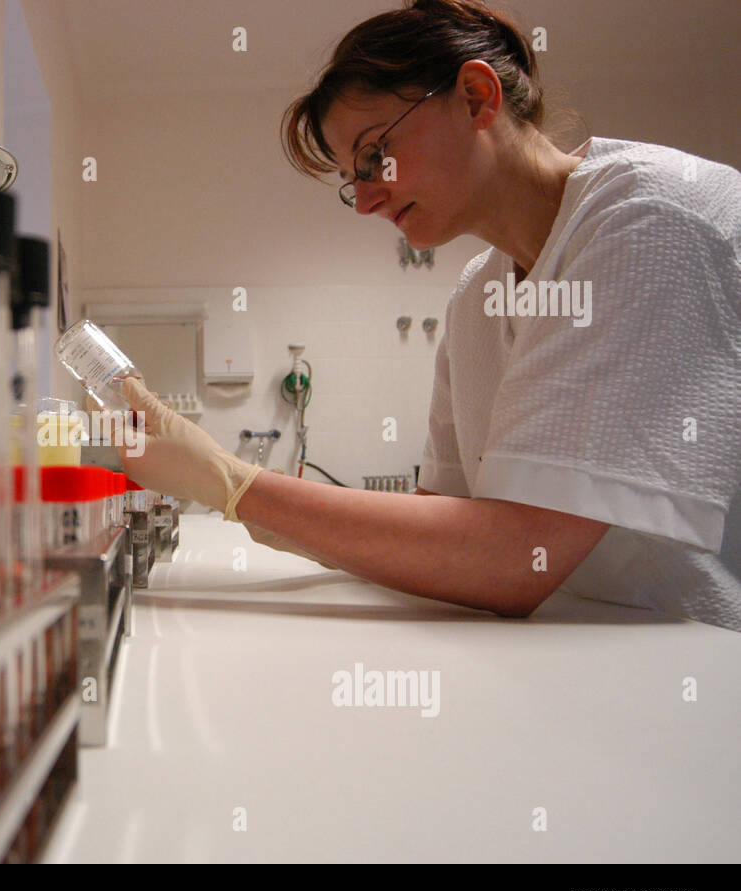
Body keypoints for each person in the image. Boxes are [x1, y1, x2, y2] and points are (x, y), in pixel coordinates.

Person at [111, 0, 741, 631]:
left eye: (371, 155)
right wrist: (231, 489)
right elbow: (444, 535)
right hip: (570, 662)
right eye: (350, 179)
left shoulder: (649, 219)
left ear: (475, 97)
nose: (363, 202)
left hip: (699, 670)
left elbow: (515, 559)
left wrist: (229, 483)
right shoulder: (475, 296)